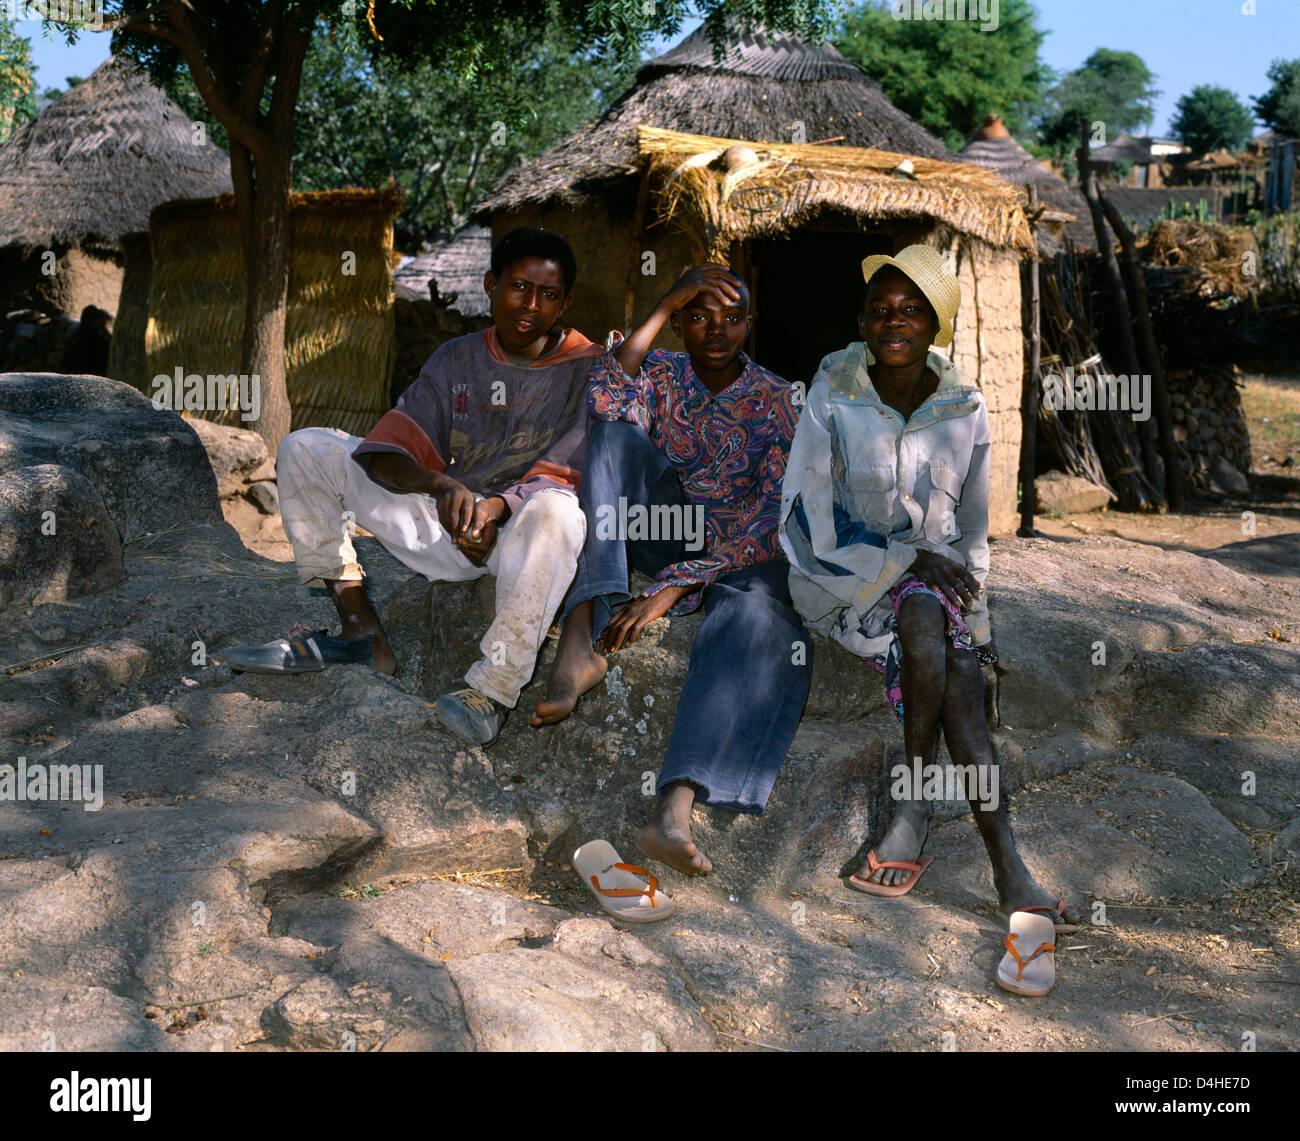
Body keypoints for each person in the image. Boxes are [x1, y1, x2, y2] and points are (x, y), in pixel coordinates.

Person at [779, 244, 1081, 929]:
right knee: (926, 619)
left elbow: (972, 538)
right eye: (881, 309)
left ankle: (947, 828)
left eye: (912, 310)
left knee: (950, 647)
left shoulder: (965, 407)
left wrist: (976, 620)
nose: (895, 321)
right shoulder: (832, 391)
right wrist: (910, 560)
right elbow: (806, 524)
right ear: (861, 320)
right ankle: (996, 858)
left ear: (935, 326)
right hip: (839, 580)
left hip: (928, 594)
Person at [225, 227, 601, 748]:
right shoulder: (457, 358)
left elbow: (571, 468)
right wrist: (439, 484)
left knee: (559, 513)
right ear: (491, 285)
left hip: (522, 543)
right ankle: (360, 634)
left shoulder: (589, 367)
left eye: (549, 294)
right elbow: (388, 448)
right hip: (448, 527)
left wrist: (496, 509)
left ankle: (491, 692)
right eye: (518, 286)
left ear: (566, 302)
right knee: (306, 447)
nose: (531, 305)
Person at [532, 264, 810, 876]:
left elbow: (772, 519)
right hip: (659, 528)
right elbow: (604, 396)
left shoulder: (778, 399)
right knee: (610, 434)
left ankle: (674, 810)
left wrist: (678, 584)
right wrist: (661, 302)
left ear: (750, 325)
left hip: (737, 552)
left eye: (732, 318)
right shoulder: (659, 371)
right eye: (698, 316)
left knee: (757, 613)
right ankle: (582, 638)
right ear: (680, 320)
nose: (716, 332)